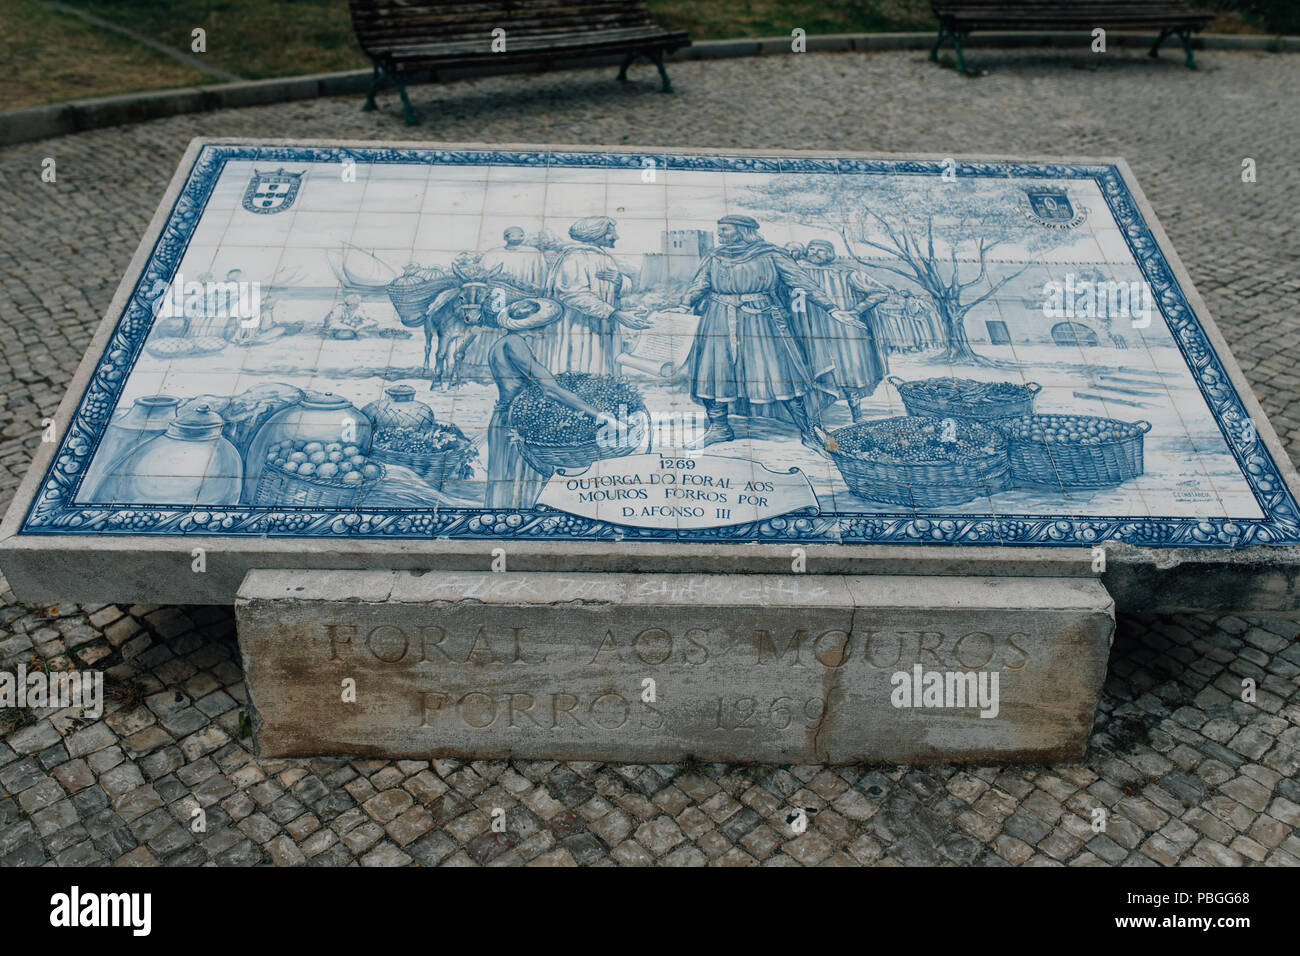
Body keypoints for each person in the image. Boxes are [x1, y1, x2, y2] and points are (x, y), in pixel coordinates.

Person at [680, 215, 859, 455]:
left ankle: (809, 432)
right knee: (714, 373)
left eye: (725, 230)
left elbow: (802, 282)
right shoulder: (715, 256)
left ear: (743, 231)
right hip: (719, 319)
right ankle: (719, 427)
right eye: (719, 230)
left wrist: (832, 308)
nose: (720, 234)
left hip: (761, 320)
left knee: (780, 376)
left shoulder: (770, 254)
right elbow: (699, 285)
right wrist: (683, 305)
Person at [484, 303, 619, 509]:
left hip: (502, 417)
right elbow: (550, 389)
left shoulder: (501, 343)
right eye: (541, 324)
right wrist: (600, 415)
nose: (545, 328)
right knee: (519, 488)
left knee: (505, 483)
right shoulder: (515, 343)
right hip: (515, 422)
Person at [539, 217, 651, 375]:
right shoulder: (575, 257)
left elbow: (613, 291)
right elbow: (573, 295)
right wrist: (615, 313)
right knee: (582, 366)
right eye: (611, 233)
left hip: (603, 324)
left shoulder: (602, 256)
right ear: (595, 234)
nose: (616, 237)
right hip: (579, 326)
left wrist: (620, 282)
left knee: (603, 368)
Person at [799, 240, 890, 422]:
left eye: (821, 250)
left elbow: (881, 291)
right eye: (812, 249)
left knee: (848, 372)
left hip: (844, 331)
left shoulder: (846, 273)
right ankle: (811, 419)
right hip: (809, 329)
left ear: (831, 253)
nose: (815, 253)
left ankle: (856, 414)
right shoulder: (797, 270)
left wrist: (856, 310)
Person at [479, 227, 548, 294]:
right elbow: (482, 273)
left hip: (526, 293)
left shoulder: (534, 253)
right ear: (505, 237)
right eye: (512, 235)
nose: (516, 237)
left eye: (520, 235)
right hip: (498, 292)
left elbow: (542, 273)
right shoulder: (492, 253)